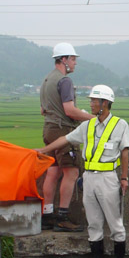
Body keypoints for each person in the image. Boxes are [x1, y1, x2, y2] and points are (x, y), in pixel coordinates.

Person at [37, 84, 129, 258]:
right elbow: (65, 139)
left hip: (108, 178)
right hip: (88, 178)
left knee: (114, 220)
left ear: (105, 103)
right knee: (93, 220)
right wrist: (42, 151)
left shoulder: (120, 125)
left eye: (94, 101)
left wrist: (124, 177)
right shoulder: (87, 126)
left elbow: (124, 152)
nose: (91, 104)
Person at [39, 42, 93, 231]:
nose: (75, 63)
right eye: (73, 59)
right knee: (72, 172)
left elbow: (42, 110)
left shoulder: (46, 80)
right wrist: (93, 118)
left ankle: (46, 215)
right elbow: (70, 111)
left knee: (53, 172)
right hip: (62, 130)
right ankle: (62, 217)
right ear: (64, 59)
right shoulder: (65, 81)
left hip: (48, 129)